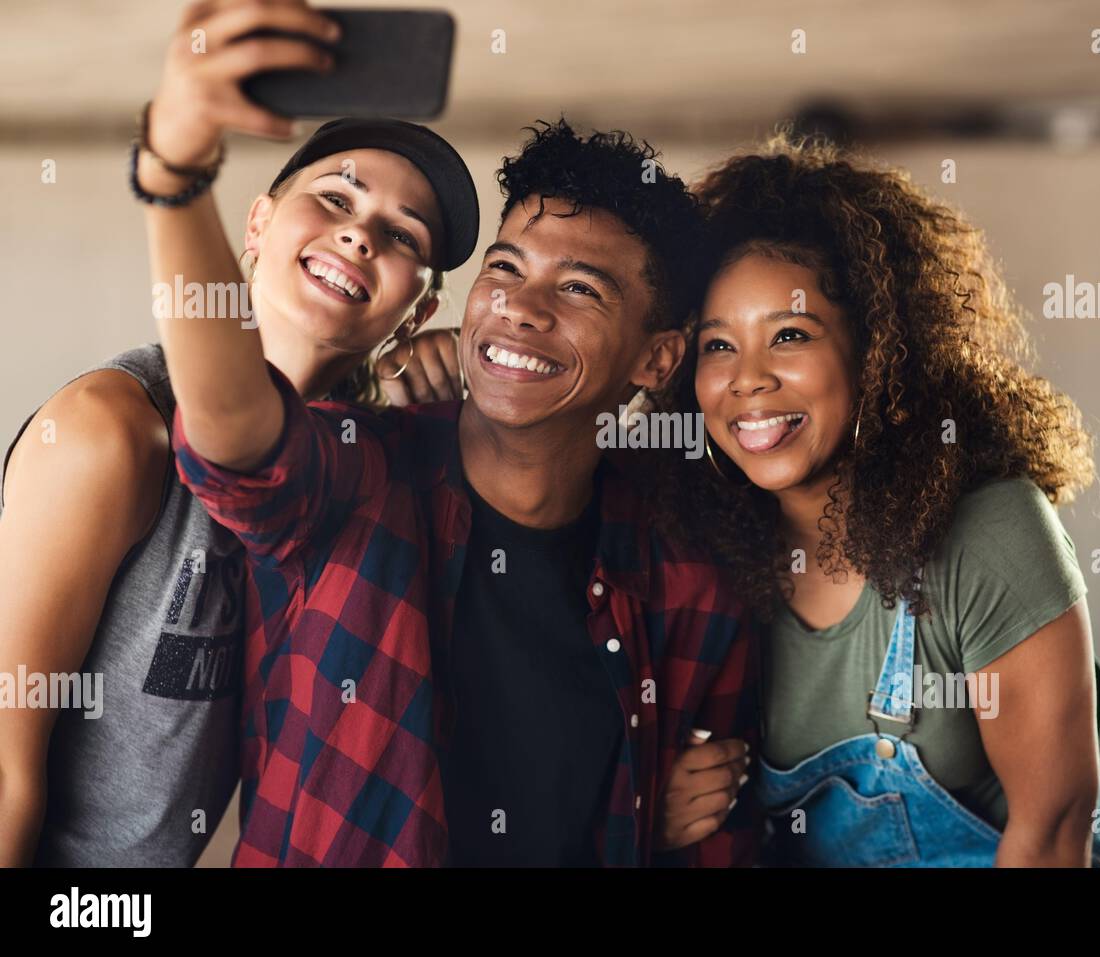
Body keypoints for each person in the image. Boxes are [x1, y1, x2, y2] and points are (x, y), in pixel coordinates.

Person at [148, 30, 760, 865]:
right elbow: (235, 435)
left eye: (579, 288)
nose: (521, 308)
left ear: (656, 359)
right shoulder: (360, 471)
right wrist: (175, 178)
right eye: (505, 269)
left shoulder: (687, 570)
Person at [0, 0, 473, 867]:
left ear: (417, 309)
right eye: (335, 195)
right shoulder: (109, 432)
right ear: (256, 224)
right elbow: (3, 767)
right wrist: (174, 164)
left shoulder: (371, 465)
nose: (359, 233)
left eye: (402, 235)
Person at [654, 131, 1100, 867]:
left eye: (790, 334)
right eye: (718, 346)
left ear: (879, 354)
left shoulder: (989, 532)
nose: (746, 379)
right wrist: (673, 795)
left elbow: (1052, 832)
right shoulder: (705, 548)